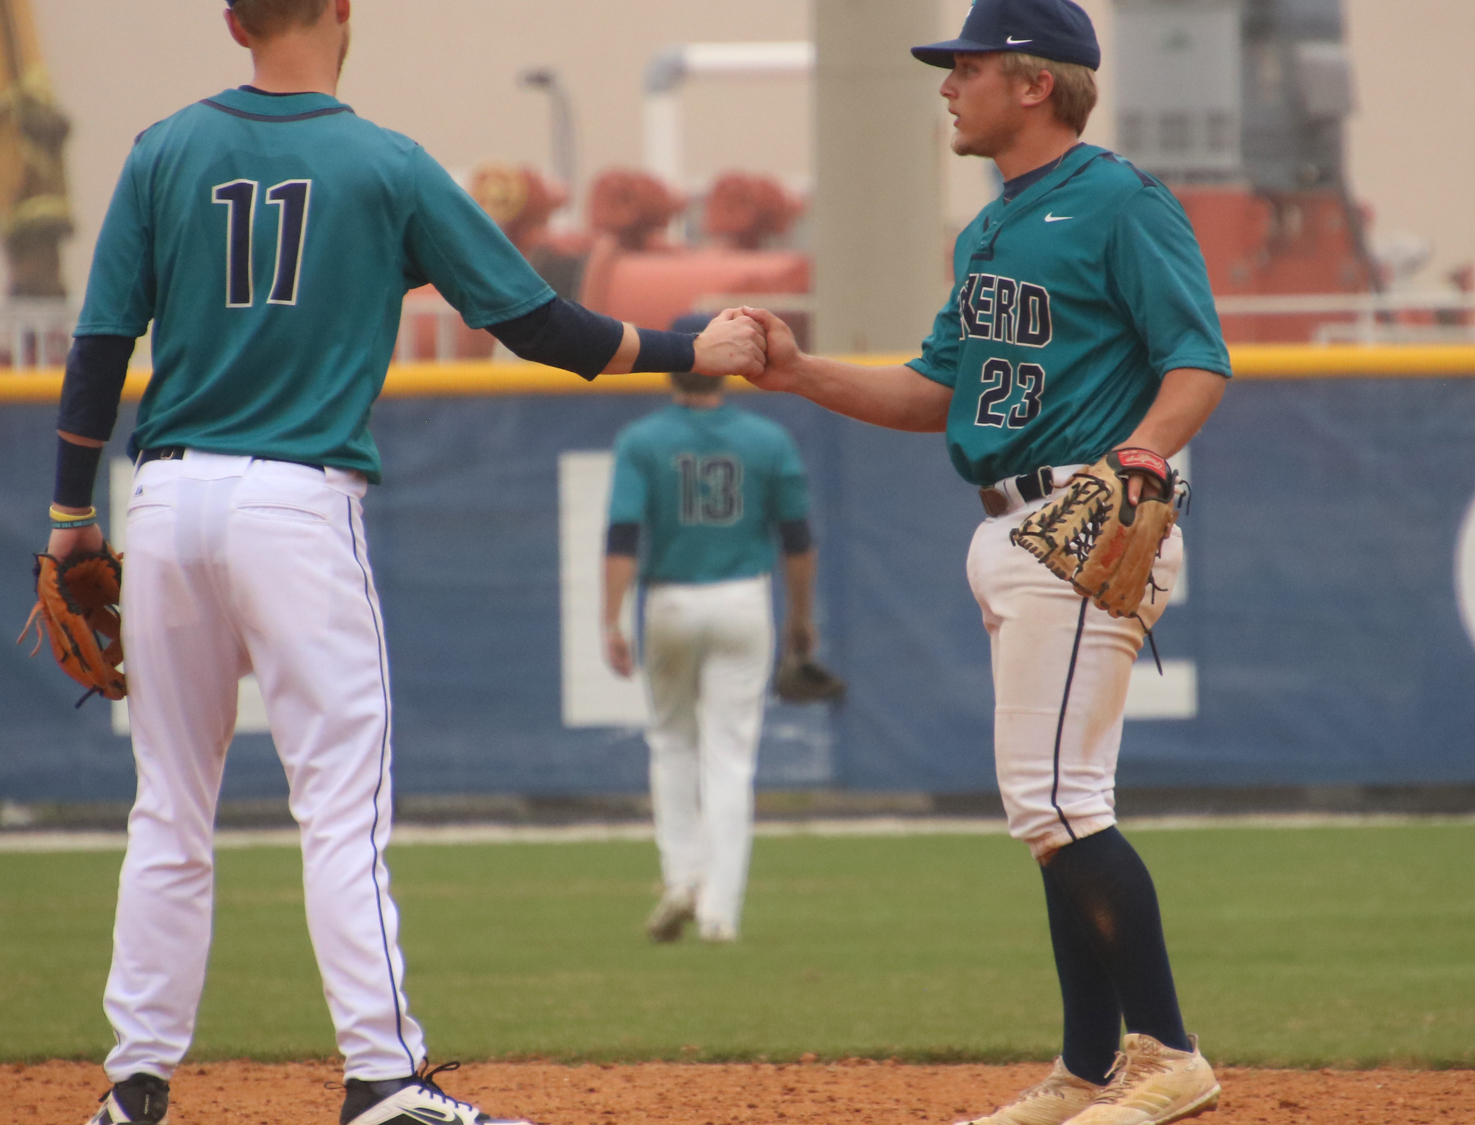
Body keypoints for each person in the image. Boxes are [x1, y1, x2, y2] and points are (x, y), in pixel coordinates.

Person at [45, 3, 764, 1124]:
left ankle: (132, 1091)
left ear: (233, 21)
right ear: (341, 11)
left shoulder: (163, 149)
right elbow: (544, 328)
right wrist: (691, 346)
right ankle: (381, 1077)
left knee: (168, 811)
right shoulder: (386, 164)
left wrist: (64, 518)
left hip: (169, 493)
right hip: (294, 501)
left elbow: (96, 350)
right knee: (336, 807)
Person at [741, 0, 1230, 1121]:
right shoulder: (990, 230)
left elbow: (1197, 361)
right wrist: (800, 371)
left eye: (964, 67)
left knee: (1053, 805)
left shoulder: (1118, 200)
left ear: (1033, 82)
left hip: (1080, 517)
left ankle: (1168, 1053)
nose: (946, 86)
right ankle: (1086, 1068)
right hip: (1009, 525)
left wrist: (1144, 454)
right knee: (1059, 811)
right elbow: (935, 391)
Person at [600, 336, 818, 945]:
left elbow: (622, 535)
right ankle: (719, 912)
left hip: (669, 599)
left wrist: (609, 619)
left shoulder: (642, 440)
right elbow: (797, 540)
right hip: (743, 601)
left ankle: (681, 880)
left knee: (672, 743)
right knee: (729, 757)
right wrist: (801, 618)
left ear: (674, 368)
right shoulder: (767, 440)